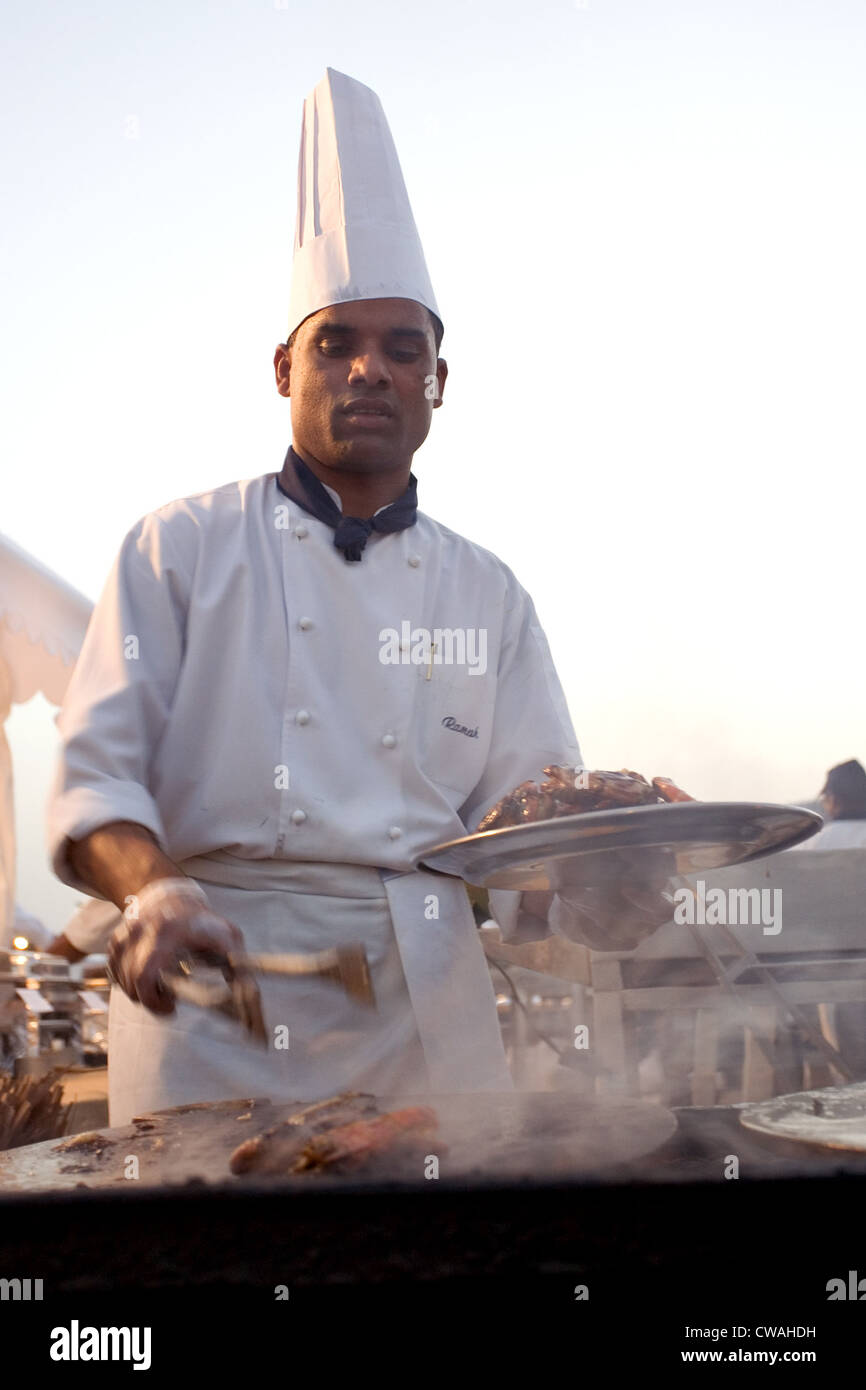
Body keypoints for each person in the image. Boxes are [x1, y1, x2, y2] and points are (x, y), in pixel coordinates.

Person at [46, 69, 670, 1126]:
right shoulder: (178, 547)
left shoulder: (491, 594)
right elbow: (97, 786)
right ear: (283, 367)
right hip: (211, 999)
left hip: (426, 1019)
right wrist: (153, 889)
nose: (369, 370)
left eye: (402, 348)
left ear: (438, 382)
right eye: (336, 343)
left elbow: (526, 848)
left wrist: (610, 889)